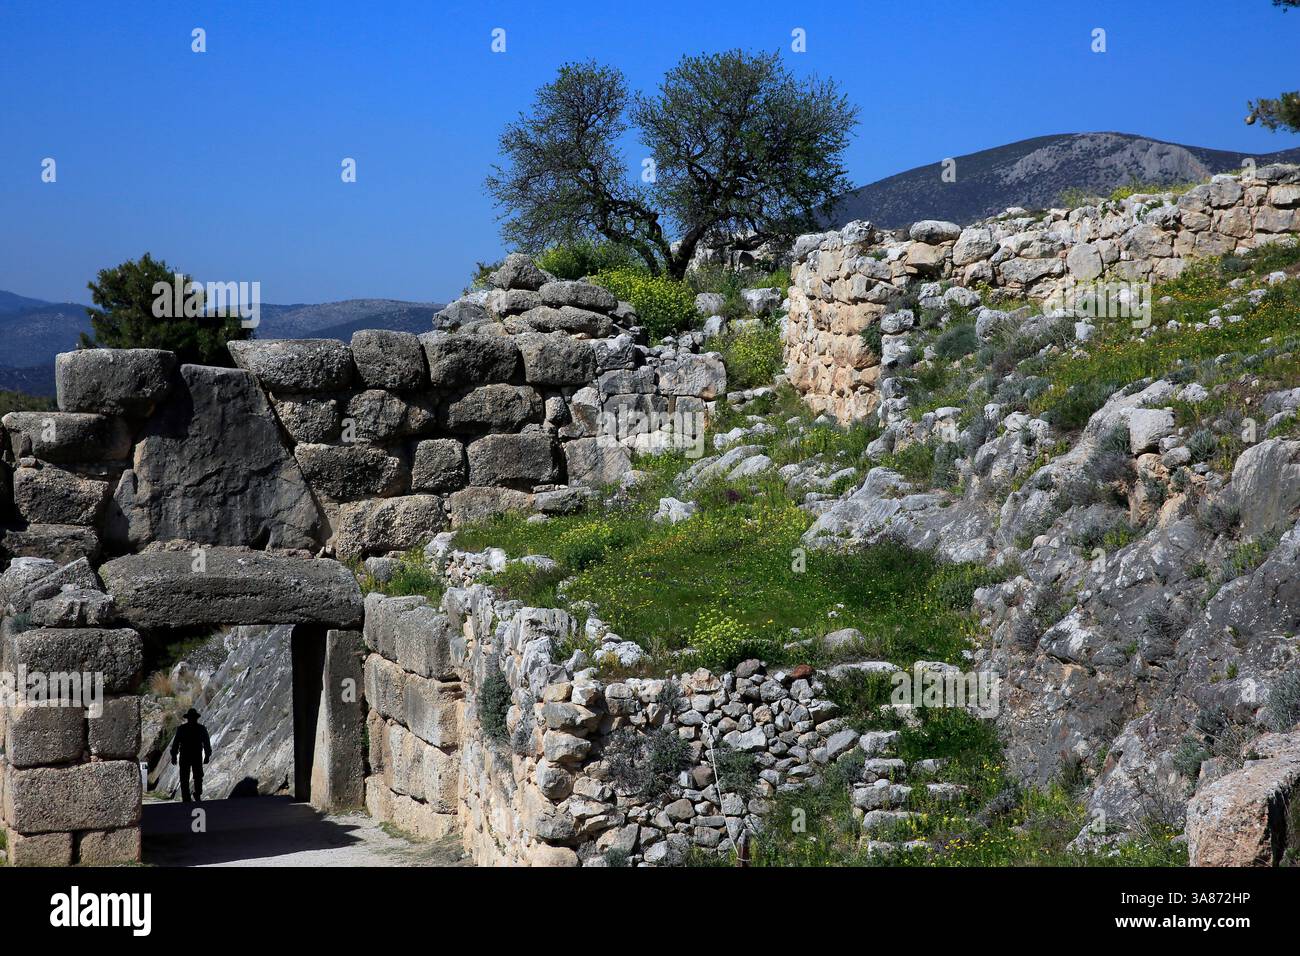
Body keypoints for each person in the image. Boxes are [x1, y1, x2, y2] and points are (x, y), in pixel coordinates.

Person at [170, 708, 212, 802]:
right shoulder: (200, 728)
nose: (192, 719)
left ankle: (191, 795)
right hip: (193, 755)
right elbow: (206, 743)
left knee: (191, 776)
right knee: (195, 776)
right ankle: (193, 795)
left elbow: (176, 743)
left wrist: (173, 755)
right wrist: (207, 755)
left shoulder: (183, 729)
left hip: (188, 755)